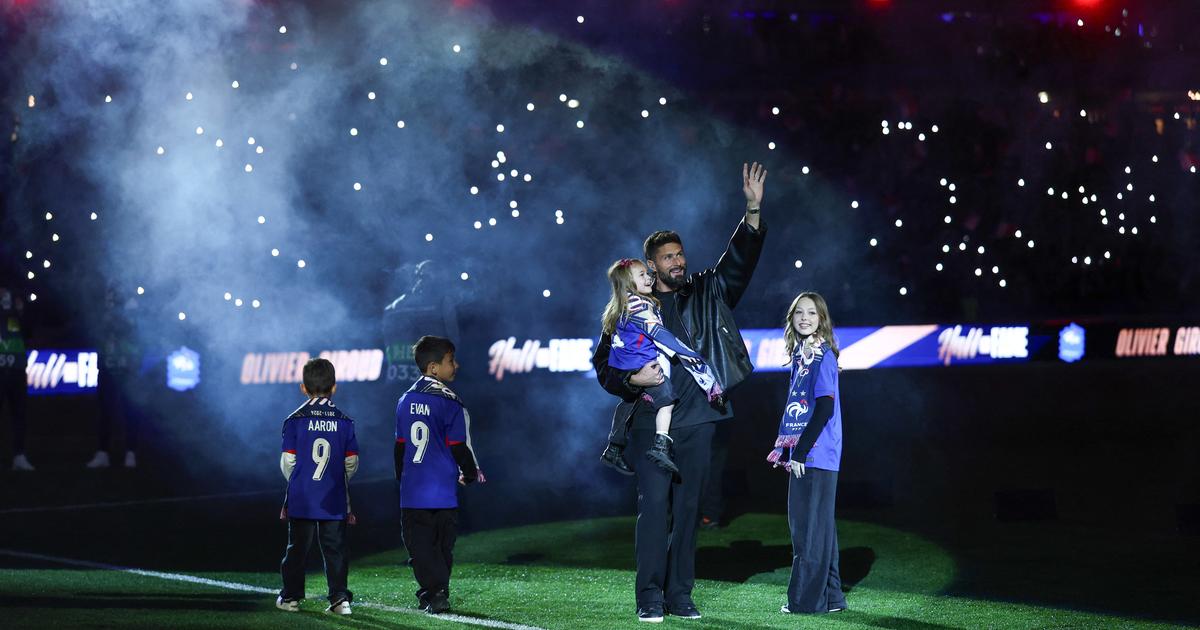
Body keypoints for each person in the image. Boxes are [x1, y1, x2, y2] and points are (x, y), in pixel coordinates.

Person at [591, 162, 768, 622]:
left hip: (698, 423)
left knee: (688, 514)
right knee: (655, 514)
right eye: (668, 257)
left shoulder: (707, 292)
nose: (678, 261)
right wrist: (633, 381)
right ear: (651, 264)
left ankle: (680, 594)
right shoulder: (627, 308)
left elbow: (738, 263)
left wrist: (751, 210)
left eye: (680, 254)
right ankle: (649, 595)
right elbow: (604, 369)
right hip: (650, 425)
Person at [599, 258, 723, 476]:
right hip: (643, 365)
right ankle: (661, 445)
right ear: (628, 283)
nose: (649, 278)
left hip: (629, 367)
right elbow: (659, 334)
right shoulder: (638, 305)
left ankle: (614, 448)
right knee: (667, 400)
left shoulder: (622, 306)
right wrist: (687, 352)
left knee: (628, 401)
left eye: (648, 273)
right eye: (642, 275)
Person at [769, 292, 847, 615]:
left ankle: (804, 602)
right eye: (799, 313)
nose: (804, 318)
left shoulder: (821, 355)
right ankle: (832, 598)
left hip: (815, 454)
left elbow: (825, 408)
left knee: (808, 531)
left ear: (821, 319)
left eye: (812, 314)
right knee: (821, 528)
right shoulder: (803, 355)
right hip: (813, 453)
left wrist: (799, 452)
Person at [395, 335, 483, 615]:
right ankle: (437, 593)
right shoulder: (451, 402)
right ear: (433, 368)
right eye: (450, 361)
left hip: (414, 492)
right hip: (444, 492)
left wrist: (402, 479)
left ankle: (431, 592)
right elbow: (458, 445)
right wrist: (469, 473)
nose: (456, 365)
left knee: (420, 549)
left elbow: (400, 447)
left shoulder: (404, 400)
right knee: (443, 548)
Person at [277, 358, 360, 615]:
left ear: (303, 388)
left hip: (302, 497)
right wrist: (335, 479)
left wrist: (301, 481)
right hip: (333, 498)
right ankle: (339, 600)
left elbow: (288, 462)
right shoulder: (345, 421)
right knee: (335, 549)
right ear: (334, 387)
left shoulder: (294, 420)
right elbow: (351, 463)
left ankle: (291, 598)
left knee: (297, 549)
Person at [0, 285, 32, 471]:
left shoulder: (19, 308)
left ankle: (19, 456)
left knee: (19, 414)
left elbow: (29, 332)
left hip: (17, 370)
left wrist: (19, 310)